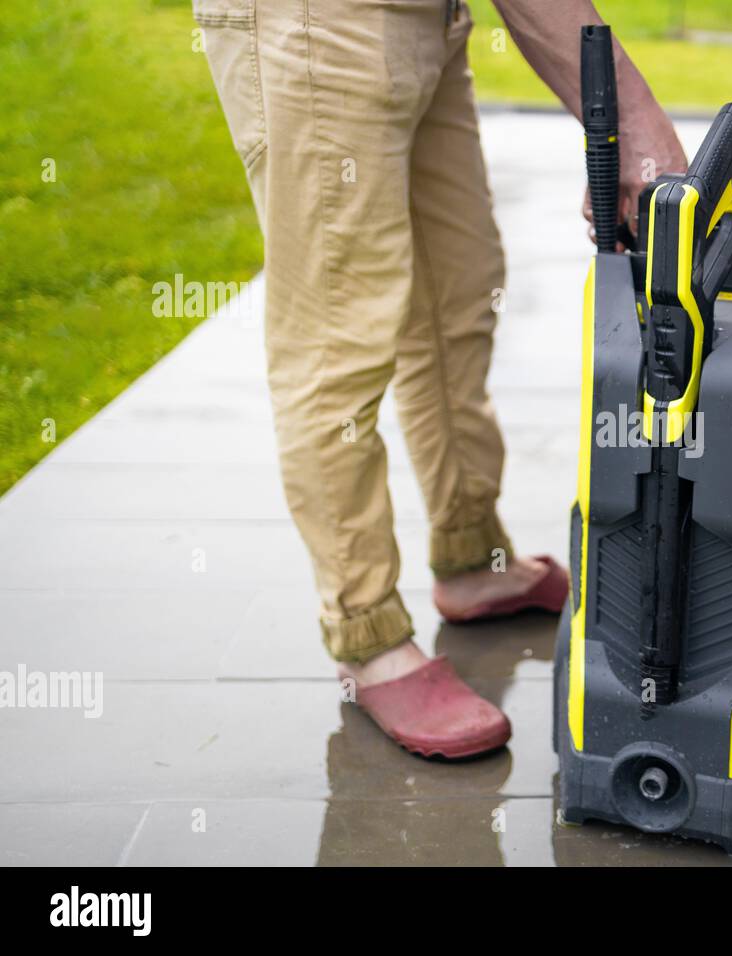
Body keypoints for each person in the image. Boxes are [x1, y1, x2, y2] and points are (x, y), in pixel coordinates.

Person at [195, 0, 686, 756]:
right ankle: (366, 634)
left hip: (429, 20)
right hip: (317, 24)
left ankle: (470, 553)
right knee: (340, 333)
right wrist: (633, 122)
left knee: (457, 297)